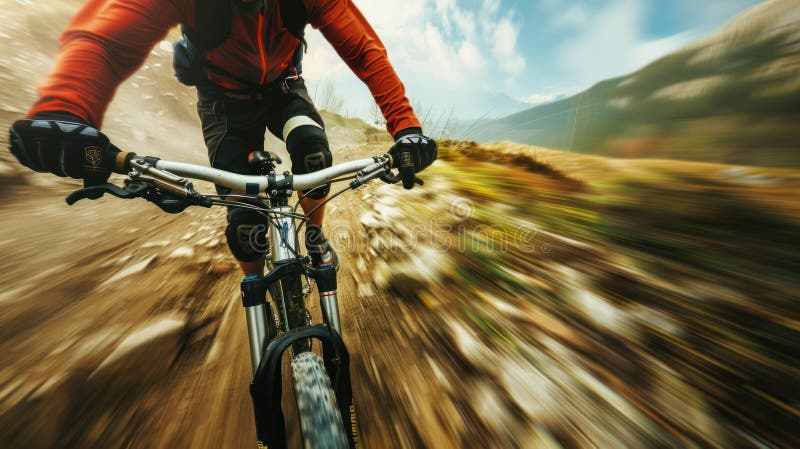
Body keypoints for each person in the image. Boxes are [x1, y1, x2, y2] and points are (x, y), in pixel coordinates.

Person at [8, 0, 437, 276]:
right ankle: (254, 285)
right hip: (223, 101)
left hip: (284, 87)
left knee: (312, 152)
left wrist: (407, 129)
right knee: (245, 219)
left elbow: (364, 51)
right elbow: (106, 37)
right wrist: (64, 110)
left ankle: (314, 237)